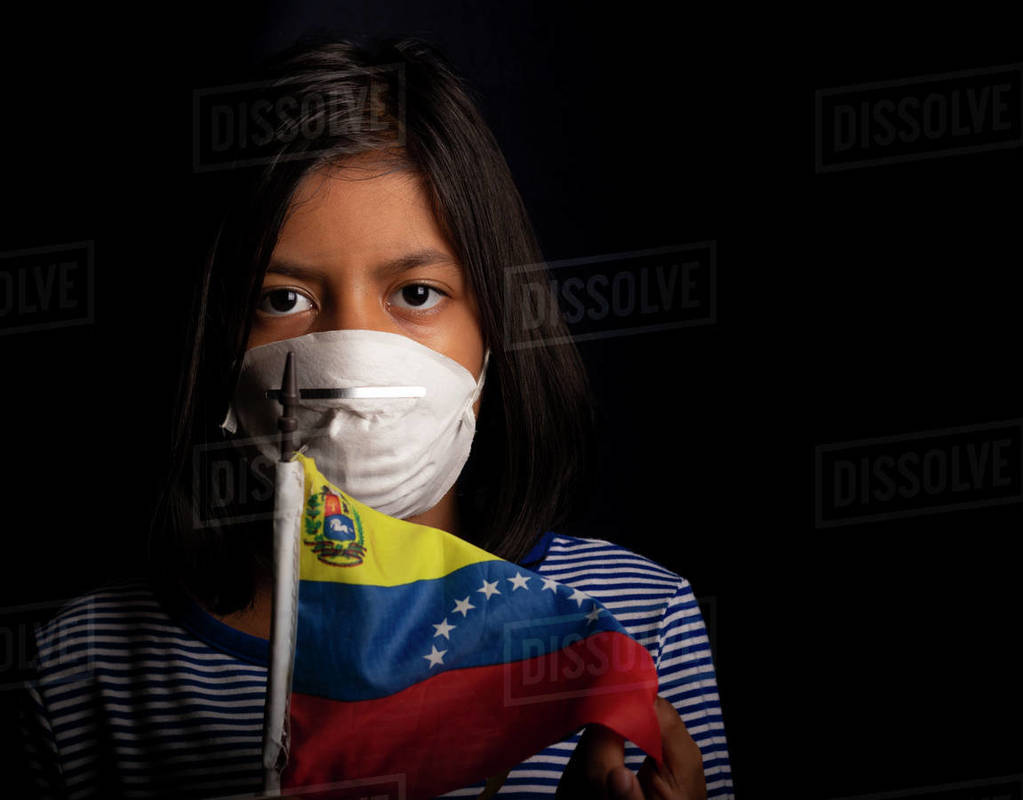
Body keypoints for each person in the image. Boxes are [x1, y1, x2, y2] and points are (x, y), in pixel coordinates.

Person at [16, 37, 732, 799]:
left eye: (416, 295)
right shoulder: (89, 662)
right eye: (283, 299)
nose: (354, 363)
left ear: (493, 332)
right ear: (213, 337)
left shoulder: (631, 615)